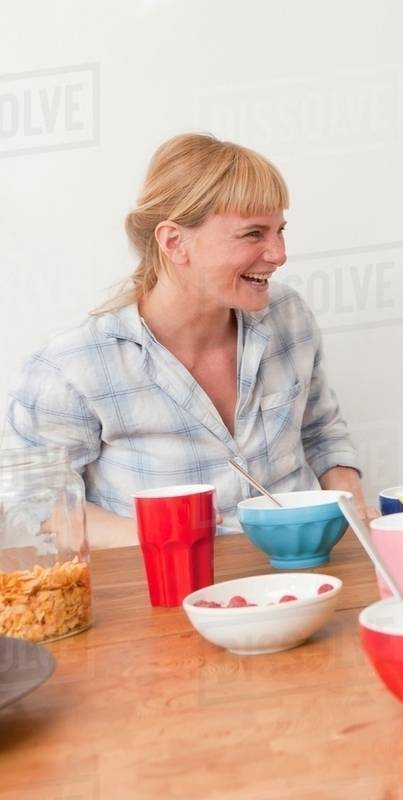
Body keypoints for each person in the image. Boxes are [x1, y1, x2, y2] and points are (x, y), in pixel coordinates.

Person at [3, 133, 374, 548]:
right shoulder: (72, 366)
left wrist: (352, 505)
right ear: (175, 242)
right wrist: (167, 538)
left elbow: (321, 432)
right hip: (164, 590)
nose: (279, 253)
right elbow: (43, 505)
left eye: (280, 230)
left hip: (303, 567)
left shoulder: (288, 316)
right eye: (254, 234)